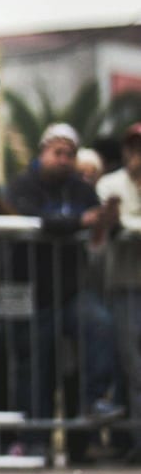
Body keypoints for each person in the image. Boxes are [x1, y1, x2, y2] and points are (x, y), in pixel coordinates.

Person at [5, 122, 122, 422]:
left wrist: (107, 219)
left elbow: (97, 221)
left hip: (71, 290)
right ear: (43, 151)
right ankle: (34, 435)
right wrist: (78, 222)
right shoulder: (23, 185)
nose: (64, 160)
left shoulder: (81, 188)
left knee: (100, 325)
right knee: (35, 367)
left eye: (69, 154)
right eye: (58, 152)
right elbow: (34, 219)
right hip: (33, 294)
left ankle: (94, 400)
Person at [94, 123, 141, 421]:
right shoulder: (109, 184)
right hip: (123, 284)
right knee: (133, 366)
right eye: (133, 148)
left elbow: (128, 224)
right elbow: (120, 224)